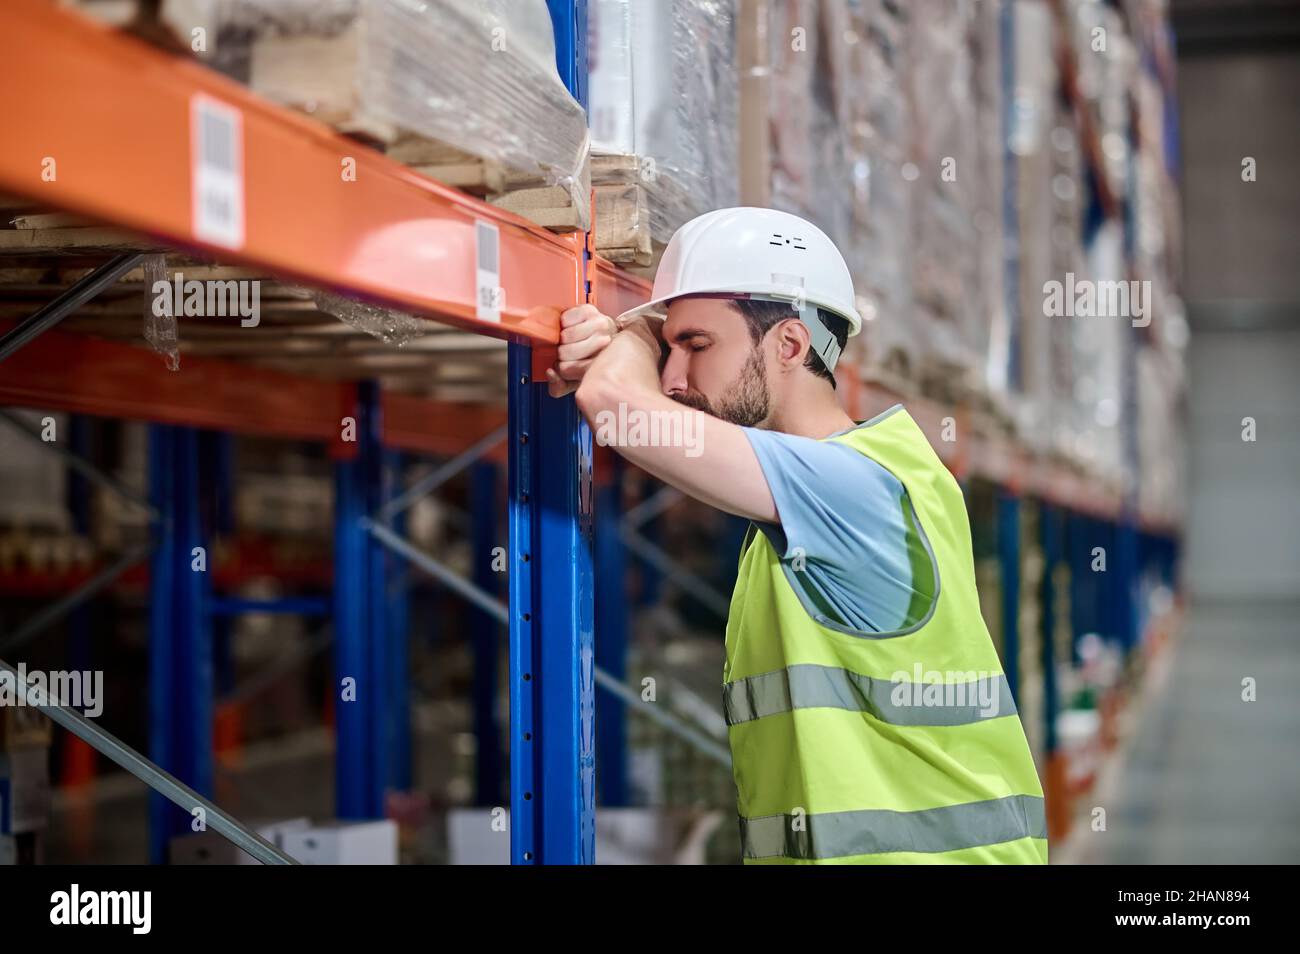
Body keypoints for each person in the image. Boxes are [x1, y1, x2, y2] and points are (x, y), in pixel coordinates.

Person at [550, 207, 1047, 864]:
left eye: (696, 346)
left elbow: (621, 412)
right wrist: (635, 338)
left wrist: (631, 340)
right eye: (672, 349)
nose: (674, 378)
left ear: (788, 345)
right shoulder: (822, 492)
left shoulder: (851, 490)